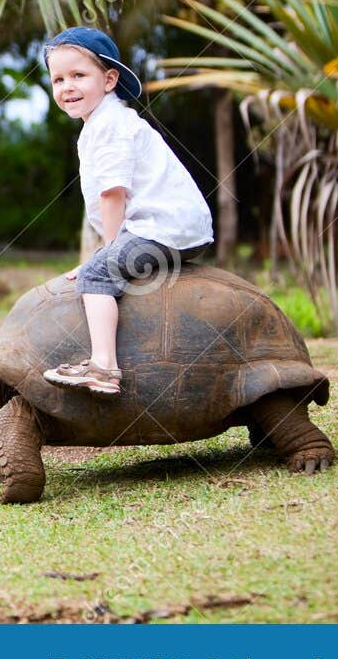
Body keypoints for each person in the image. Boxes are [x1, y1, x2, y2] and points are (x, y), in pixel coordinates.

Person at [40, 27, 212, 395]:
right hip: (169, 229)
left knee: (96, 277)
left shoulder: (112, 126)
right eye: (58, 79)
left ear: (109, 79)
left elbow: (113, 194)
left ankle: (103, 367)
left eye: (78, 75)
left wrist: (106, 254)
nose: (67, 86)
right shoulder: (101, 124)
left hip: (164, 230)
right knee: (99, 265)